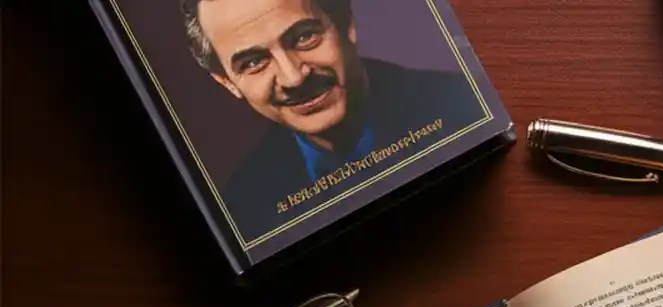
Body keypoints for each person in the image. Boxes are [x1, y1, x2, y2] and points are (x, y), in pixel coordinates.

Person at [182, 0, 482, 238]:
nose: (293, 77)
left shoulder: (463, 104)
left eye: (304, 36)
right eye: (253, 62)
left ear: (346, 25)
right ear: (227, 82)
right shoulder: (244, 210)